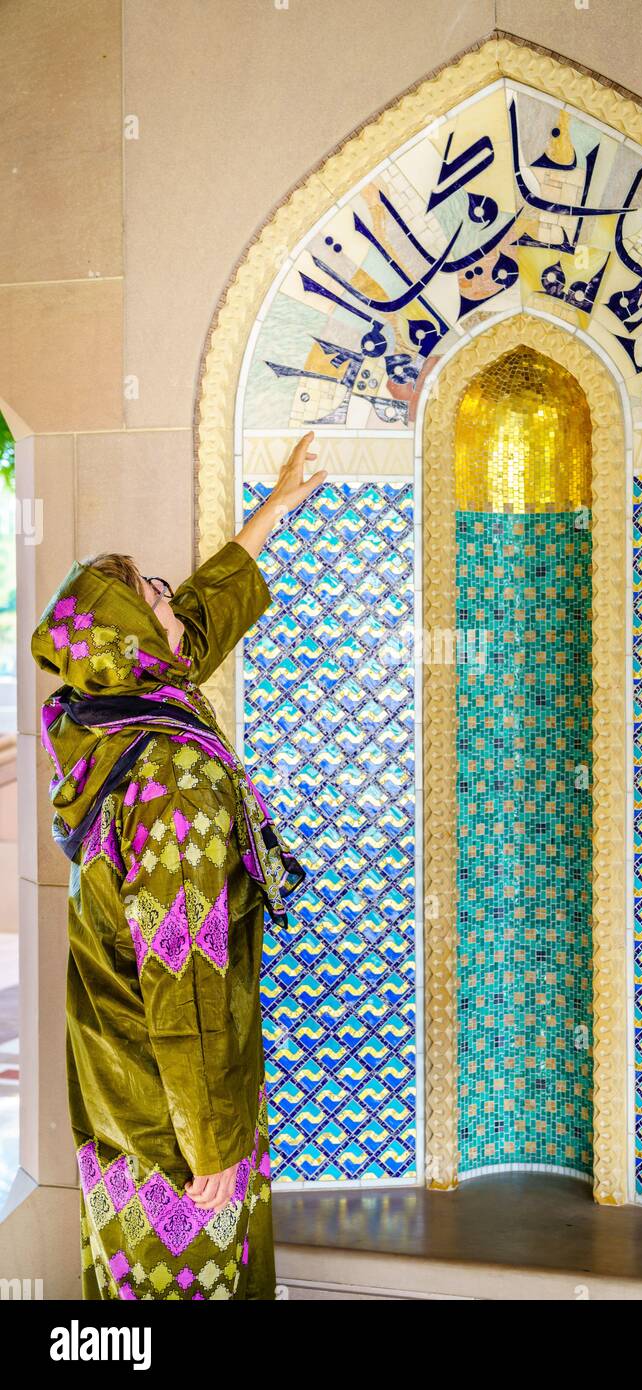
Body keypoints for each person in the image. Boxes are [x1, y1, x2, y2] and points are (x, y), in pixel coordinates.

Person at [30, 431, 325, 1300]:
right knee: (188, 1283)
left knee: (125, 1286)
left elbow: (189, 630)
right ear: (134, 640)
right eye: (156, 595)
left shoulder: (104, 714)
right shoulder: (174, 776)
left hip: (118, 1078)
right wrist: (212, 1139)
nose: (172, 601)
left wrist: (274, 507)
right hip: (170, 1113)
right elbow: (185, 973)